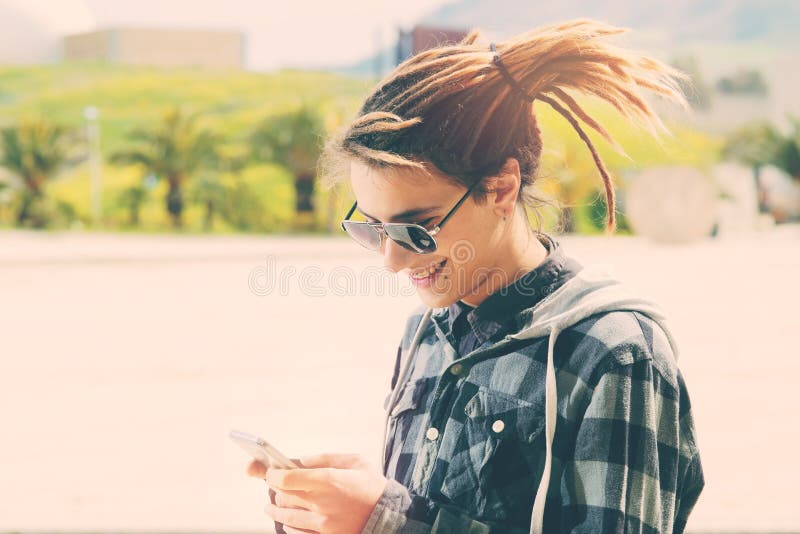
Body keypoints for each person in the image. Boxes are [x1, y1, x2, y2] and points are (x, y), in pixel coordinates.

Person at [246, 18, 705, 533]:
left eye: (417, 229)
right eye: (373, 230)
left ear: (502, 189)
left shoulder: (613, 352)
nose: (391, 261)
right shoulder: (425, 332)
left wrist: (387, 522)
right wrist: (355, 508)